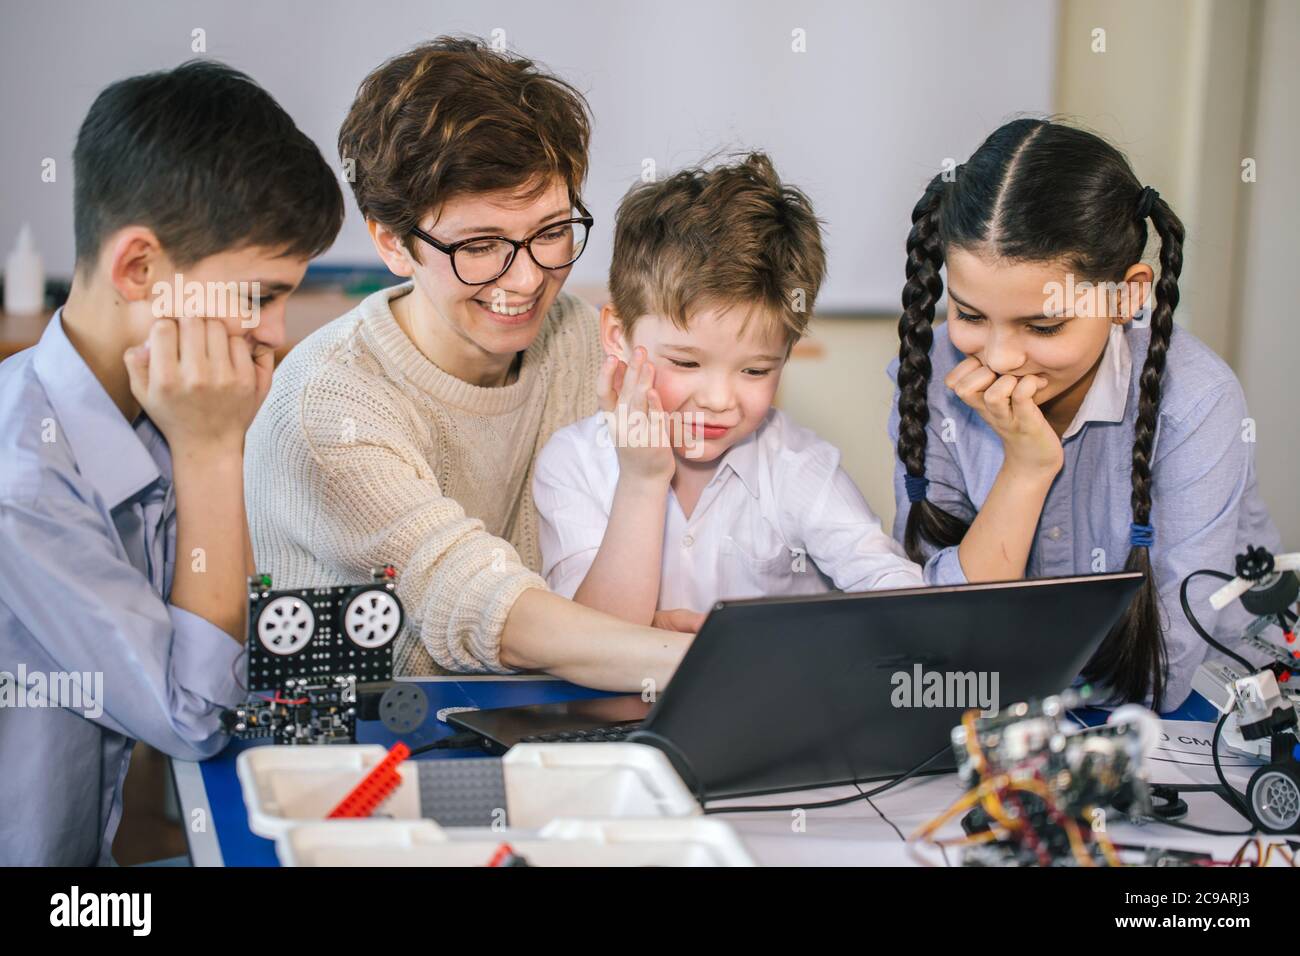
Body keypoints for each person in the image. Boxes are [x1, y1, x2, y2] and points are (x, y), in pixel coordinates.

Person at [244, 37, 691, 690]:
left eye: (551, 230)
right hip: (358, 754)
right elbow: (478, 600)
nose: (528, 279)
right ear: (392, 242)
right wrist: (692, 665)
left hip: (540, 719)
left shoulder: (585, 345)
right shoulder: (327, 406)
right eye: (480, 245)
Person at [0, 60, 345, 865]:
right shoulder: (22, 482)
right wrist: (213, 450)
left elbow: (239, 662)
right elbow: (196, 714)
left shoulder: (152, 405)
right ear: (139, 269)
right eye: (258, 297)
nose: (276, 334)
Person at [887, 118, 1280, 711]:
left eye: (1044, 325)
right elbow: (936, 645)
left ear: (1127, 295)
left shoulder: (1198, 402)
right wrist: (1024, 468)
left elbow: (1160, 676)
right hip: (1021, 710)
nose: (999, 357)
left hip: (1207, 709)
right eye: (970, 315)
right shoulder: (931, 373)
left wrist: (998, 660)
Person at [534, 153, 923, 623]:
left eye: (755, 371)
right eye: (685, 362)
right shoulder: (574, 463)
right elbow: (585, 641)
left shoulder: (798, 467)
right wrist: (641, 481)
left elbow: (895, 590)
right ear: (618, 336)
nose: (719, 401)